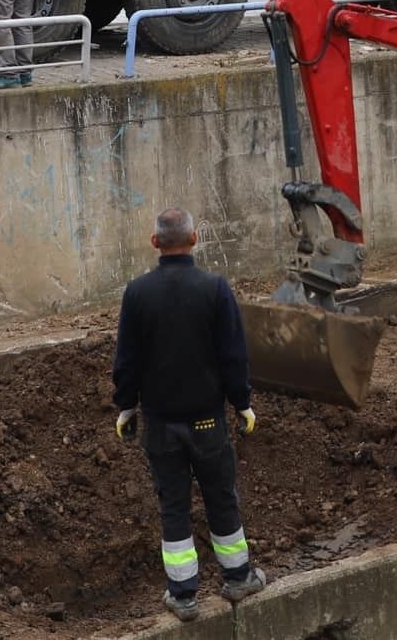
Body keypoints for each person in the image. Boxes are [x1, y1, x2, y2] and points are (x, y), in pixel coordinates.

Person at [113, 207, 265, 622]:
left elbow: (126, 360)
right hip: (208, 423)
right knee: (221, 497)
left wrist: (126, 406)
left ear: (155, 242)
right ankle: (238, 578)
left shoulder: (137, 293)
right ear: (195, 239)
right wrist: (243, 403)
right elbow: (233, 355)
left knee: (174, 506)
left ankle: (183, 597)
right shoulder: (214, 289)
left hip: (160, 426)